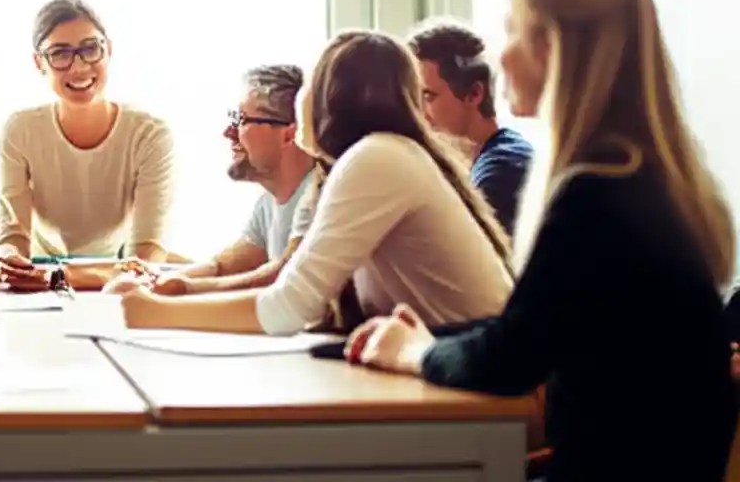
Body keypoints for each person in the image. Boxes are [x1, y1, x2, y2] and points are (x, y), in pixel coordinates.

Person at [347, 0, 737, 481]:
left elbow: (511, 359)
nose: (498, 54)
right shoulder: (647, 180)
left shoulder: (595, 195)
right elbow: (538, 323)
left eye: (512, 30)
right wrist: (436, 341)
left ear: (553, 47)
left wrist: (415, 354)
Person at [115, 30, 514, 334]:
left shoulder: (378, 157)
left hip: (491, 395)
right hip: (464, 382)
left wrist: (153, 312)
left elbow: (289, 305)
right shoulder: (362, 163)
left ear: (333, 96)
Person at [0, 0, 176, 286]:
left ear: (109, 50)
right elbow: (12, 234)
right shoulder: (20, 130)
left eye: (90, 49)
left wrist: (113, 276)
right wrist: (11, 260)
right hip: (40, 274)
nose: (78, 68)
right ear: (39, 62)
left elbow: (148, 248)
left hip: (118, 272)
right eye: (60, 53)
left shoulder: (149, 135)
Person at [142, 65, 329, 297]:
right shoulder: (268, 203)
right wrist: (150, 280)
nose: (228, 132)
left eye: (241, 120)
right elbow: (222, 267)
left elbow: (284, 277)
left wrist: (180, 288)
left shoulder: (320, 195)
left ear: (288, 134)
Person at [408, 20, 533, 233]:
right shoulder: (473, 167)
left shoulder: (499, 174)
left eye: (428, 96)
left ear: (474, 94)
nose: (417, 111)